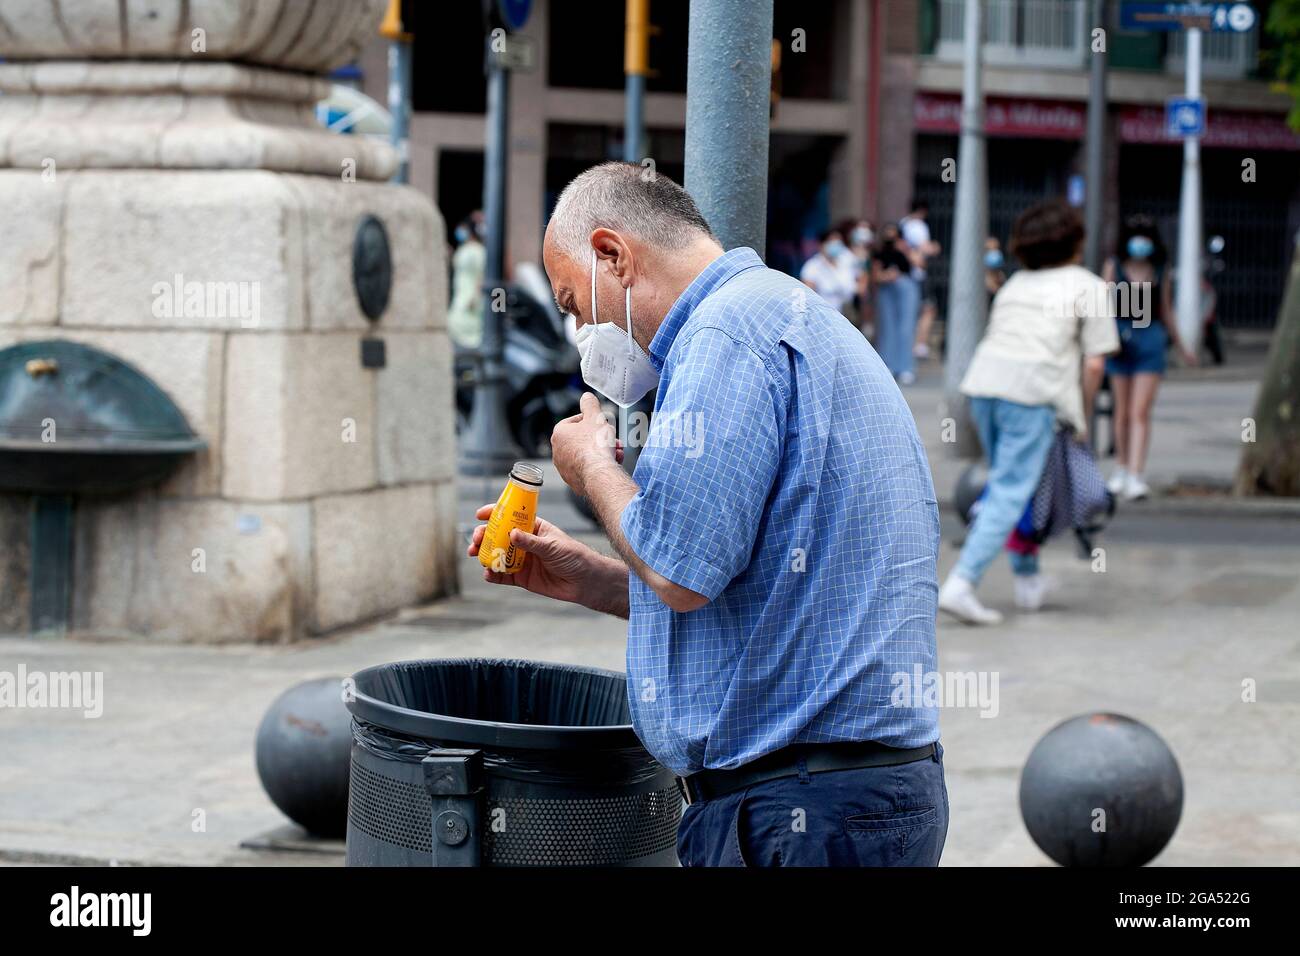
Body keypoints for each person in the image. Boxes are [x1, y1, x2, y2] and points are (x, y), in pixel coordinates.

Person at [468, 162, 947, 867]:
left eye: (573, 304)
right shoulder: (772, 313)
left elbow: (681, 571)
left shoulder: (725, 336)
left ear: (613, 254)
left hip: (802, 809)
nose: (580, 333)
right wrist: (590, 581)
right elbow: (744, 581)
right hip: (832, 798)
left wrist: (592, 467)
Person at [938, 200, 1118, 625]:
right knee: (1011, 489)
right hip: (1033, 393)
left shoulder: (1017, 284)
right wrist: (1083, 418)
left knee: (1015, 485)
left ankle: (1027, 581)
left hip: (985, 386)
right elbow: (1095, 364)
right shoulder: (1088, 285)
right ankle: (962, 583)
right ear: (1075, 241)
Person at [1103, 215, 1196, 501]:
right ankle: (1120, 468)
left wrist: (1183, 346)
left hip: (1149, 341)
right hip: (1119, 340)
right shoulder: (1113, 267)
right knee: (1121, 412)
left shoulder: (1159, 270)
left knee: (1139, 411)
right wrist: (1103, 340)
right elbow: (1103, 306)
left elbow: (1166, 310)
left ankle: (1135, 474)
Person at [871, 222, 921, 385]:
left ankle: (906, 367)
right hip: (886, 289)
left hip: (906, 287)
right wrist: (886, 276)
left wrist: (905, 250)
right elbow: (876, 275)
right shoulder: (880, 253)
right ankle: (888, 365)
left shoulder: (906, 249)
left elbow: (919, 264)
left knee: (906, 328)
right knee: (888, 328)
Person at [900, 198, 941, 359]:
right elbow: (925, 248)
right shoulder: (918, 226)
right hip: (917, 275)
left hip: (905, 275)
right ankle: (920, 345)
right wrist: (935, 247)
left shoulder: (903, 223)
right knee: (928, 309)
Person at [799, 226, 858, 318]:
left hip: (849, 312)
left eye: (838, 240)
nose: (836, 244)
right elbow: (808, 294)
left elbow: (861, 276)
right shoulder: (812, 267)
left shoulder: (847, 259)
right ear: (822, 244)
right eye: (832, 240)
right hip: (825, 315)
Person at [447, 212, 486, 349]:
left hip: (470, 306)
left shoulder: (479, 251)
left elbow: (483, 278)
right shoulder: (464, 249)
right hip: (460, 303)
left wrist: (474, 299)